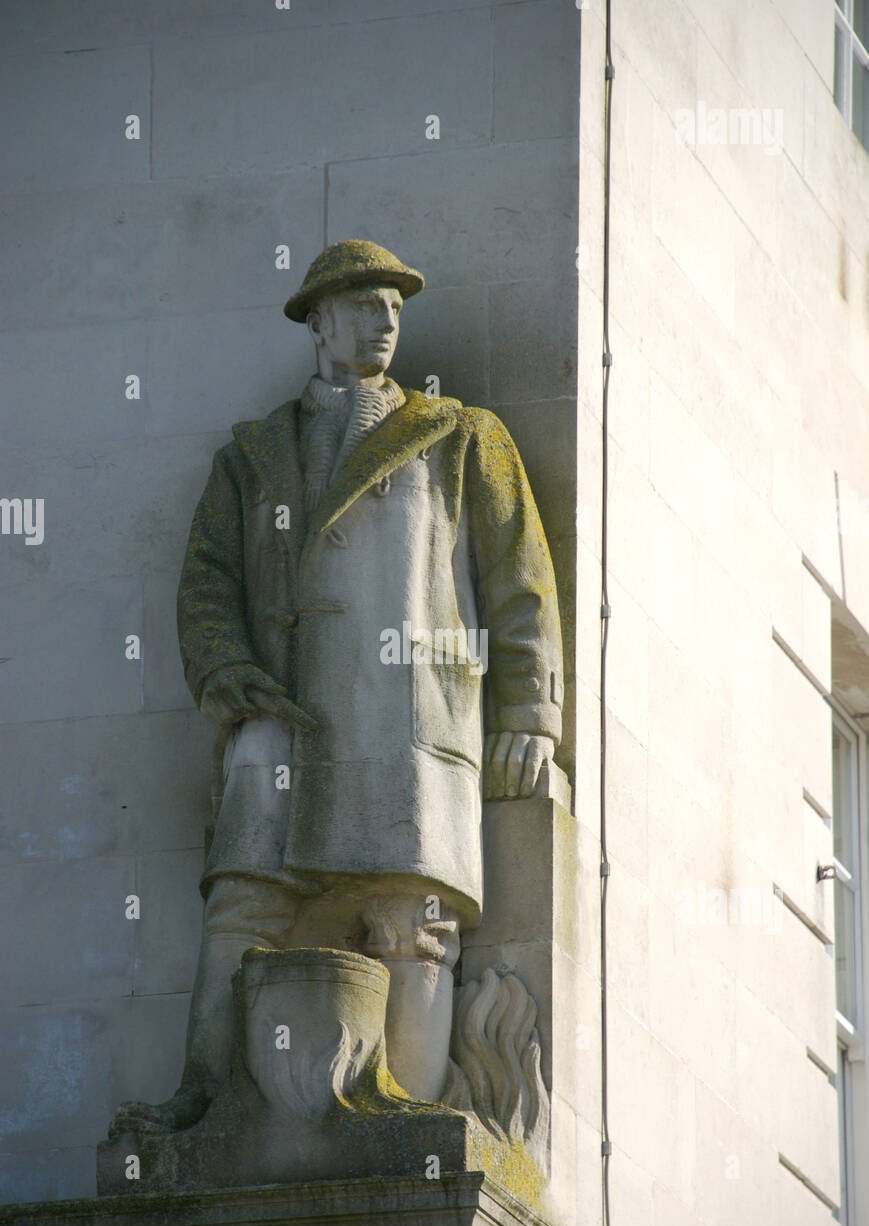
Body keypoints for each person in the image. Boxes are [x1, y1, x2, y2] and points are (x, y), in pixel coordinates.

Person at [110, 240, 563, 1136]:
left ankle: (411, 1110)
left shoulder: (462, 437)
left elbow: (521, 587)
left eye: (394, 307)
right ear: (317, 322)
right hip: (282, 724)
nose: (385, 321)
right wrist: (230, 679)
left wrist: (532, 716)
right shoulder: (253, 455)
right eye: (363, 304)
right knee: (242, 904)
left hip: (410, 719)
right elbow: (206, 583)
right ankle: (202, 1095)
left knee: (416, 917)